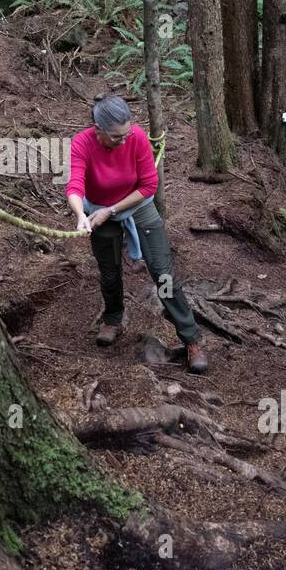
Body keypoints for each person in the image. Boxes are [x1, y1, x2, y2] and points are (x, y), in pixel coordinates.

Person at [65, 94, 209, 374]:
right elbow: (74, 185)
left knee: (162, 272)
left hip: (136, 204)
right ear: (98, 130)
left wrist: (113, 210)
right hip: (96, 209)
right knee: (109, 270)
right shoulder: (82, 143)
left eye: (126, 134)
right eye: (116, 137)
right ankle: (113, 318)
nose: (123, 140)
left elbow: (149, 185)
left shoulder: (137, 138)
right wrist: (80, 214)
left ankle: (191, 339)